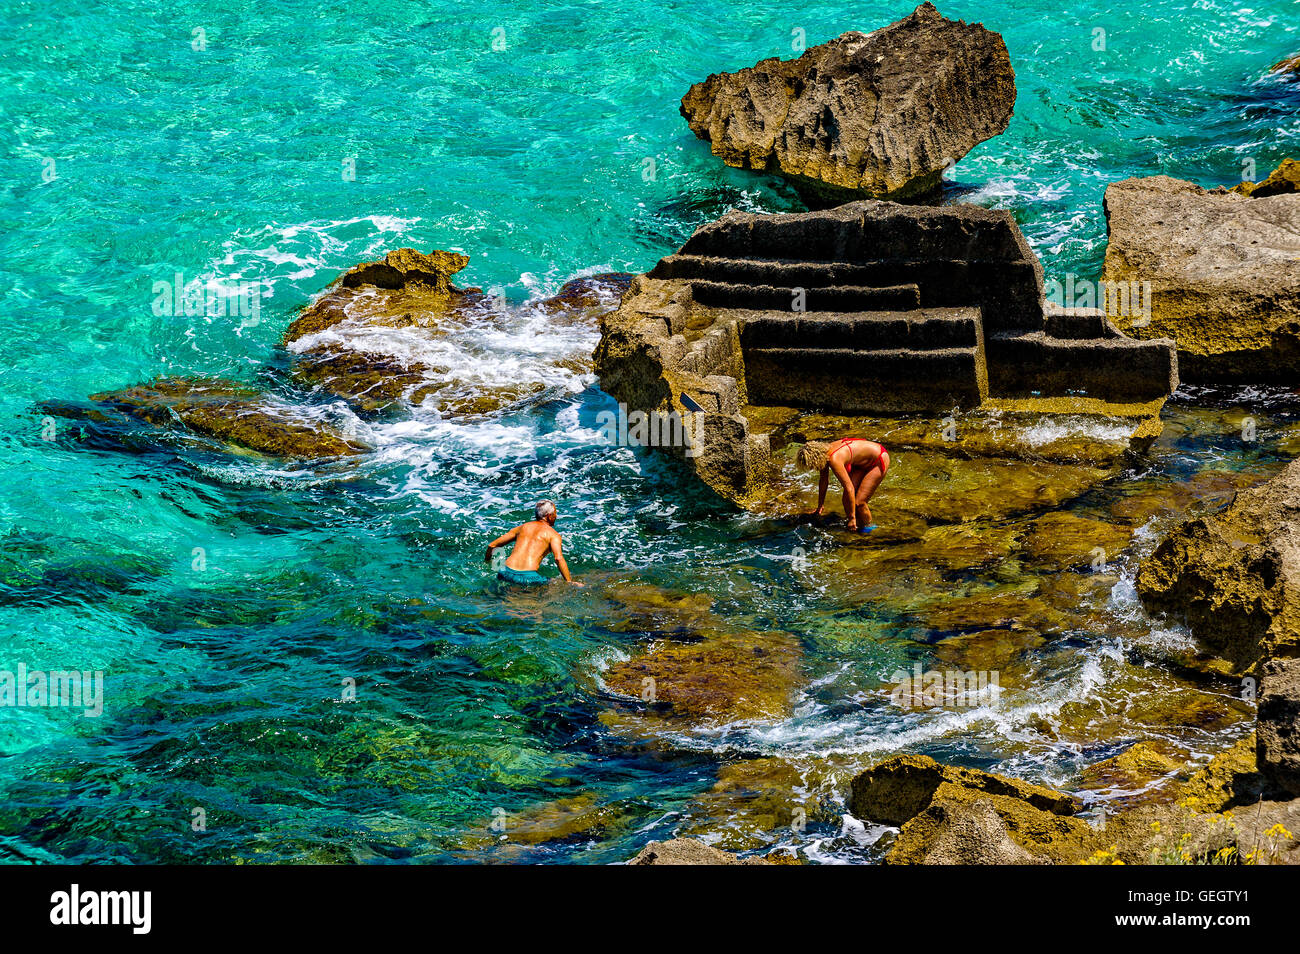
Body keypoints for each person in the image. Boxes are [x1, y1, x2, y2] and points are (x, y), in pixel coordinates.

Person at [798, 438, 891, 532]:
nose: (812, 468)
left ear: (815, 459)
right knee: (846, 499)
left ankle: (869, 529)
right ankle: (856, 525)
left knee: (859, 502)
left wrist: (852, 519)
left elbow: (849, 488)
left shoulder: (834, 459)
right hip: (861, 463)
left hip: (878, 459)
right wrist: (820, 506)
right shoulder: (823, 454)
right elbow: (823, 481)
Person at [485, 499, 583, 586]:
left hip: (504, 572)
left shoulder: (522, 527)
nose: (556, 516)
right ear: (549, 516)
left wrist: (487, 562)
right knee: (558, 585)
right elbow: (558, 558)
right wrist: (569, 582)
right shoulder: (553, 535)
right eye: (555, 514)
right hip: (528, 577)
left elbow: (492, 545)